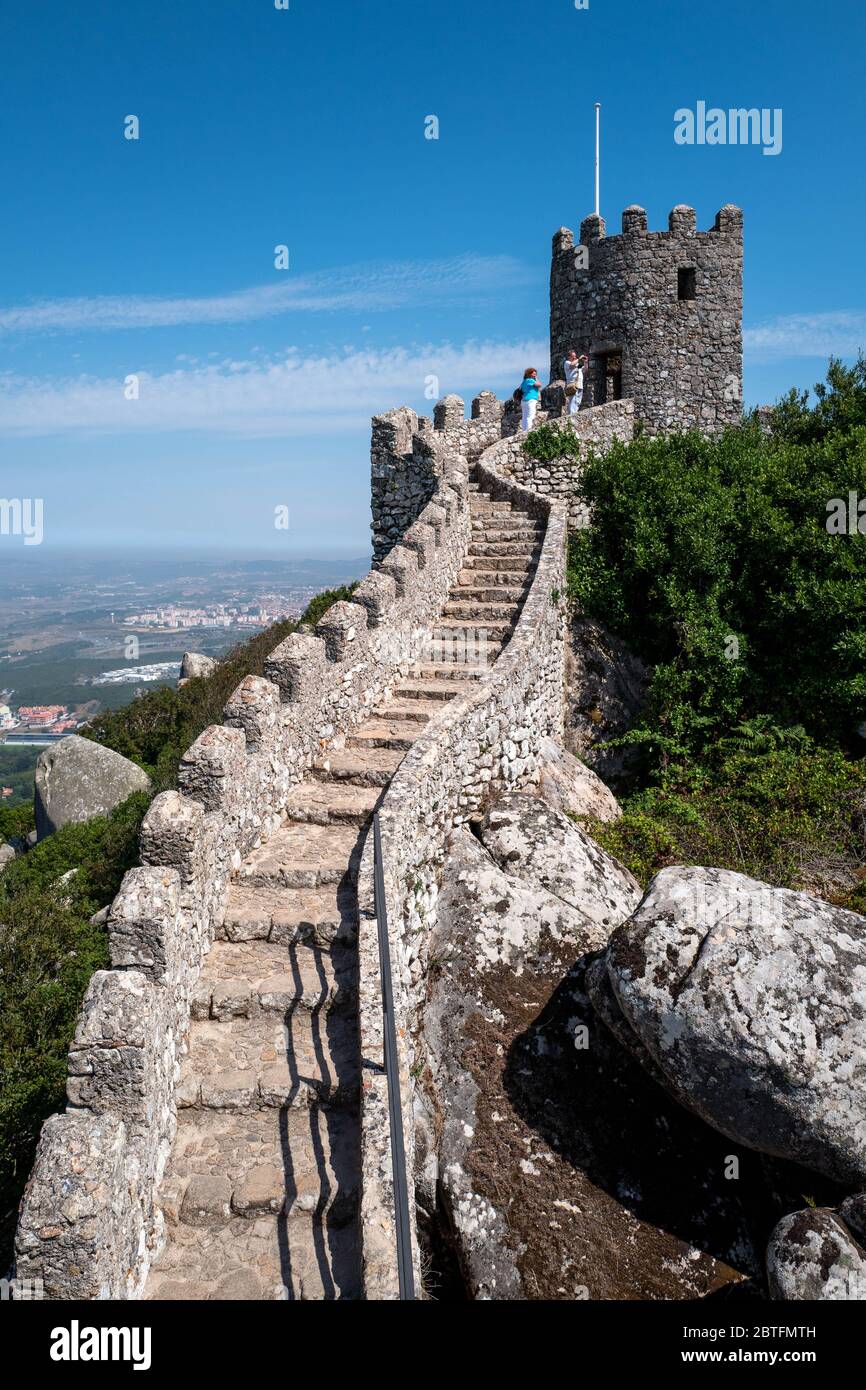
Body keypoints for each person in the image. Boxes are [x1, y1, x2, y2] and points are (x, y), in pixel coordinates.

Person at [564, 350, 586, 418]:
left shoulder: (577, 364)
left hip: (579, 385)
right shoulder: (567, 363)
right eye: (573, 356)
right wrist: (579, 359)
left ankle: (573, 416)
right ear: (569, 357)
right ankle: (570, 417)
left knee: (578, 402)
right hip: (572, 385)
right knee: (572, 401)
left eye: (575, 356)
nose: (574, 358)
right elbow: (572, 365)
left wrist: (586, 362)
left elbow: (584, 370)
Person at [518, 367, 541, 432]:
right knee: (531, 415)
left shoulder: (524, 382)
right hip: (531, 400)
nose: (535, 375)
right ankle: (528, 431)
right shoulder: (530, 380)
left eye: (535, 374)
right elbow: (539, 385)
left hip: (524, 400)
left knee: (524, 416)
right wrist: (536, 379)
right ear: (529, 374)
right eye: (533, 374)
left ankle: (524, 431)